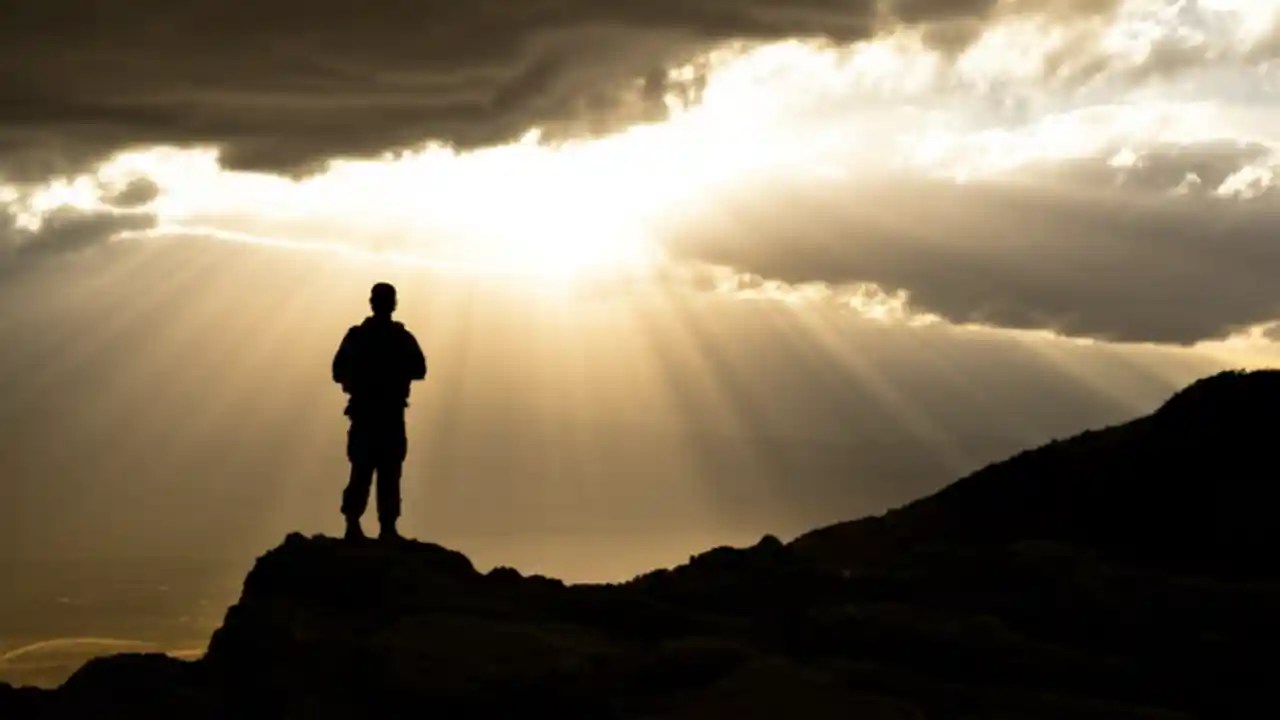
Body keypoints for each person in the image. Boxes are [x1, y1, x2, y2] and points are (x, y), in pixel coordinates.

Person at [332, 282, 427, 541]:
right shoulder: (383, 337)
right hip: (378, 414)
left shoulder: (363, 336)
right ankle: (368, 526)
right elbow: (338, 371)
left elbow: (419, 369)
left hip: (378, 414)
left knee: (379, 471)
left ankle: (379, 527)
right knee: (376, 472)